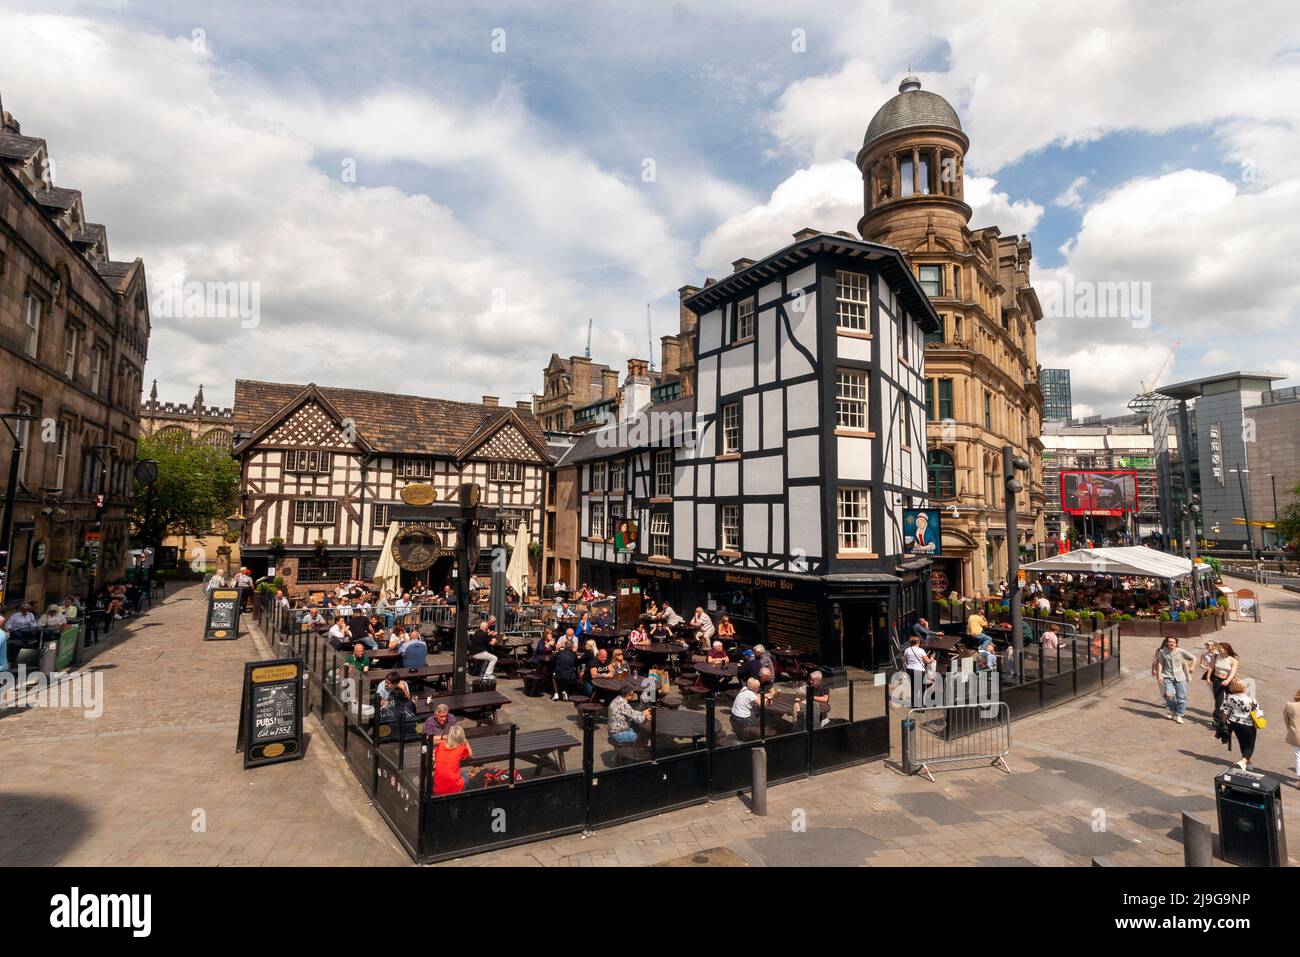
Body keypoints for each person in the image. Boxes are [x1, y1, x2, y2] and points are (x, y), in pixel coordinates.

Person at [1218, 678, 1262, 770]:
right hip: (1248, 724)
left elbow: (1225, 712)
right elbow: (1259, 713)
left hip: (1234, 723)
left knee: (1242, 742)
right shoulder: (1251, 700)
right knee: (1250, 745)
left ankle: (1247, 762)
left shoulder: (1229, 697)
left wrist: (1224, 723)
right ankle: (1243, 762)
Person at [1152, 636, 1196, 724]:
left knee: (1181, 697)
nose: (1171, 643)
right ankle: (1172, 709)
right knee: (1169, 695)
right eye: (1170, 642)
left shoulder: (1180, 651)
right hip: (1167, 676)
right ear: (1166, 643)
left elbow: (1193, 658)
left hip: (1180, 677)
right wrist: (1159, 675)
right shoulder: (1162, 652)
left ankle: (1179, 715)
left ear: (1176, 643)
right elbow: (1160, 663)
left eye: (1173, 642)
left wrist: (1192, 667)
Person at [432, 724, 475, 795]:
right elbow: (470, 755)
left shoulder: (441, 745)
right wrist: (466, 741)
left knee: (454, 774)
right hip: (455, 789)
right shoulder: (461, 748)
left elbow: (434, 751)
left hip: (438, 790)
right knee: (467, 775)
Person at [1207, 642, 1240, 716]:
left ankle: (1230, 716)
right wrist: (1208, 677)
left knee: (1231, 699)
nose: (1218, 648)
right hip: (1217, 680)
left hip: (1229, 681)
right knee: (1219, 700)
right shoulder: (1215, 656)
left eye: (1220, 647)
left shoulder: (1233, 660)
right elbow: (1211, 667)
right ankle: (1217, 719)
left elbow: (1232, 673)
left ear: (1226, 649)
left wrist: (1227, 681)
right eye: (1218, 647)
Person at [902, 634, 933, 706]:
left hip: (910, 669)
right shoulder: (921, 650)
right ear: (918, 642)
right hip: (919, 670)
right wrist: (931, 660)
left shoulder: (907, 650)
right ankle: (920, 706)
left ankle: (914, 705)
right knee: (921, 688)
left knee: (913, 688)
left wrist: (909, 664)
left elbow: (904, 660)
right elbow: (927, 661)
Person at [1284, 689, 1300, 788]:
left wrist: (1290, 730)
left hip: (1296, 735)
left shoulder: (1290, 705)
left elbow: (1286, 720)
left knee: (1299, 756)